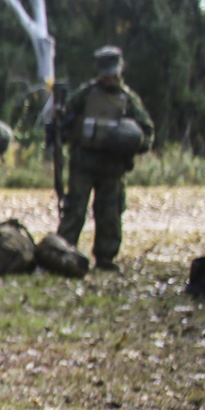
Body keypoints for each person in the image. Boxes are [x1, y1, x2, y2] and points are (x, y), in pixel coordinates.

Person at [55, 46, 154, 271]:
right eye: (104, 73)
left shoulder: (128, 99)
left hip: (112, 167)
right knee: (74, 210)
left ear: (120, 70)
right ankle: (63, 252)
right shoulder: (86, 94)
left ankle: (106, 256)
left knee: (110, 213)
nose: (108, 78)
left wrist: (134, 144)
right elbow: (65, 116)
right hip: (83, 162)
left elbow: (147, 131)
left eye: (112, 73)